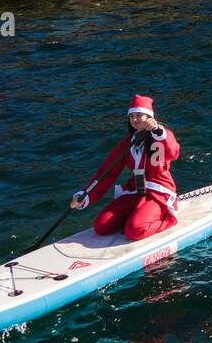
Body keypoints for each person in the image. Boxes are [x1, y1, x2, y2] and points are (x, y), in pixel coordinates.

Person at [70, 95, 180, 242]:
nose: (134, 119)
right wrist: (85, 195)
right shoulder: (127, 143)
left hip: (157, 193)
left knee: (134, 231)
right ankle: (136, 216)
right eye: (131, 116)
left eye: (139, 115)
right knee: (101, 226)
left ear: (149, 117)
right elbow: (107, 171)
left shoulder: (158, 138)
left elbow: (172, 152)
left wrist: (158, 131)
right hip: (135, 191)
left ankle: (166, 218)